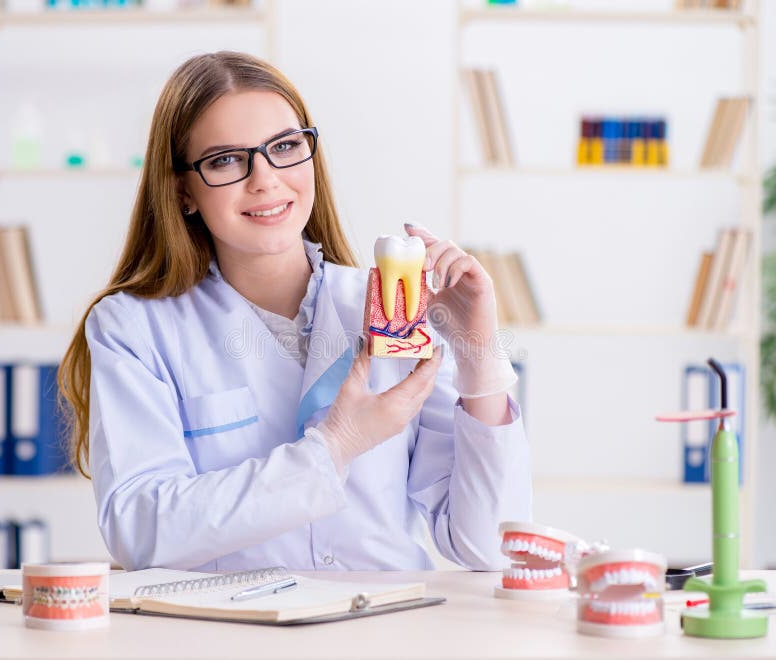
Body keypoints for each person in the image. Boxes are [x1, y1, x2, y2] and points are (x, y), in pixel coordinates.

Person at [58, 51, 531, 573]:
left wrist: (478, 355)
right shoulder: (134, 327)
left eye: (284, 147)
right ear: (182, 191)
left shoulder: (394, 311)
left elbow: (492, 548)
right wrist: (335, 448)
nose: (265, 180)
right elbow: (139, 528)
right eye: (226, 160)